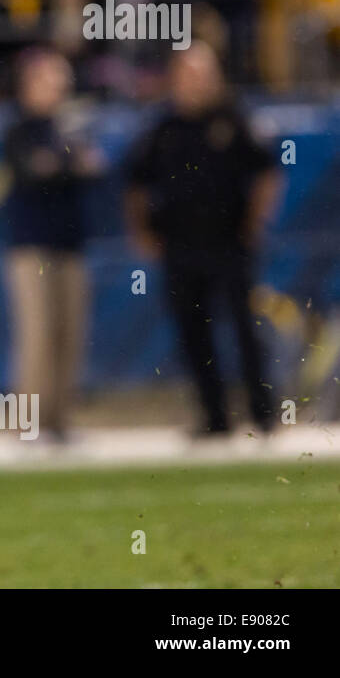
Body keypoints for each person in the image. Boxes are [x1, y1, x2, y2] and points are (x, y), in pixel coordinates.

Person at [124, 42, 283, 437]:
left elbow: (267, 170)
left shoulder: (234, 119)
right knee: (194, 332)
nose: (197, 82)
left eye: (204, 73)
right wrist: (142, 232)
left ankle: (262, 415)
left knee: (246, 330)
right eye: (190, 73)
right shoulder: (163, 128)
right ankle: (215, 417)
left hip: (229, 241)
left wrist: (256, 222)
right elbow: (135, 183)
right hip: (180, 244)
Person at [1, 48, 103, 443]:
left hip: (70, 244)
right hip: (31, 248)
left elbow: (94, 168)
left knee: (70, 333)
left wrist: (61, 166)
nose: (59, 87)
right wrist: (67, 166)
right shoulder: (19, 129)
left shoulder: (70, 126)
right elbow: (33, 171)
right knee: (37, 334)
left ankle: (61, 419)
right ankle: (28, 423)